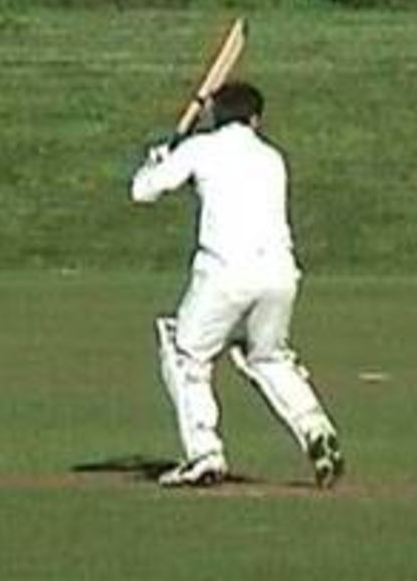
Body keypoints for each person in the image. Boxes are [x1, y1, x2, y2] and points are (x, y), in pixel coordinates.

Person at [129, 80, 343, 488]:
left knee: (184, 352)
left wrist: (158, 159)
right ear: (256, 119)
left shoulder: (201, 148)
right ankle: (317, 431)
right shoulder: (273, 158)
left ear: (213, 115)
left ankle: (204, 453)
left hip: (225, 274)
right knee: (268, 358)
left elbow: (142, 191)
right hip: (279, 275)